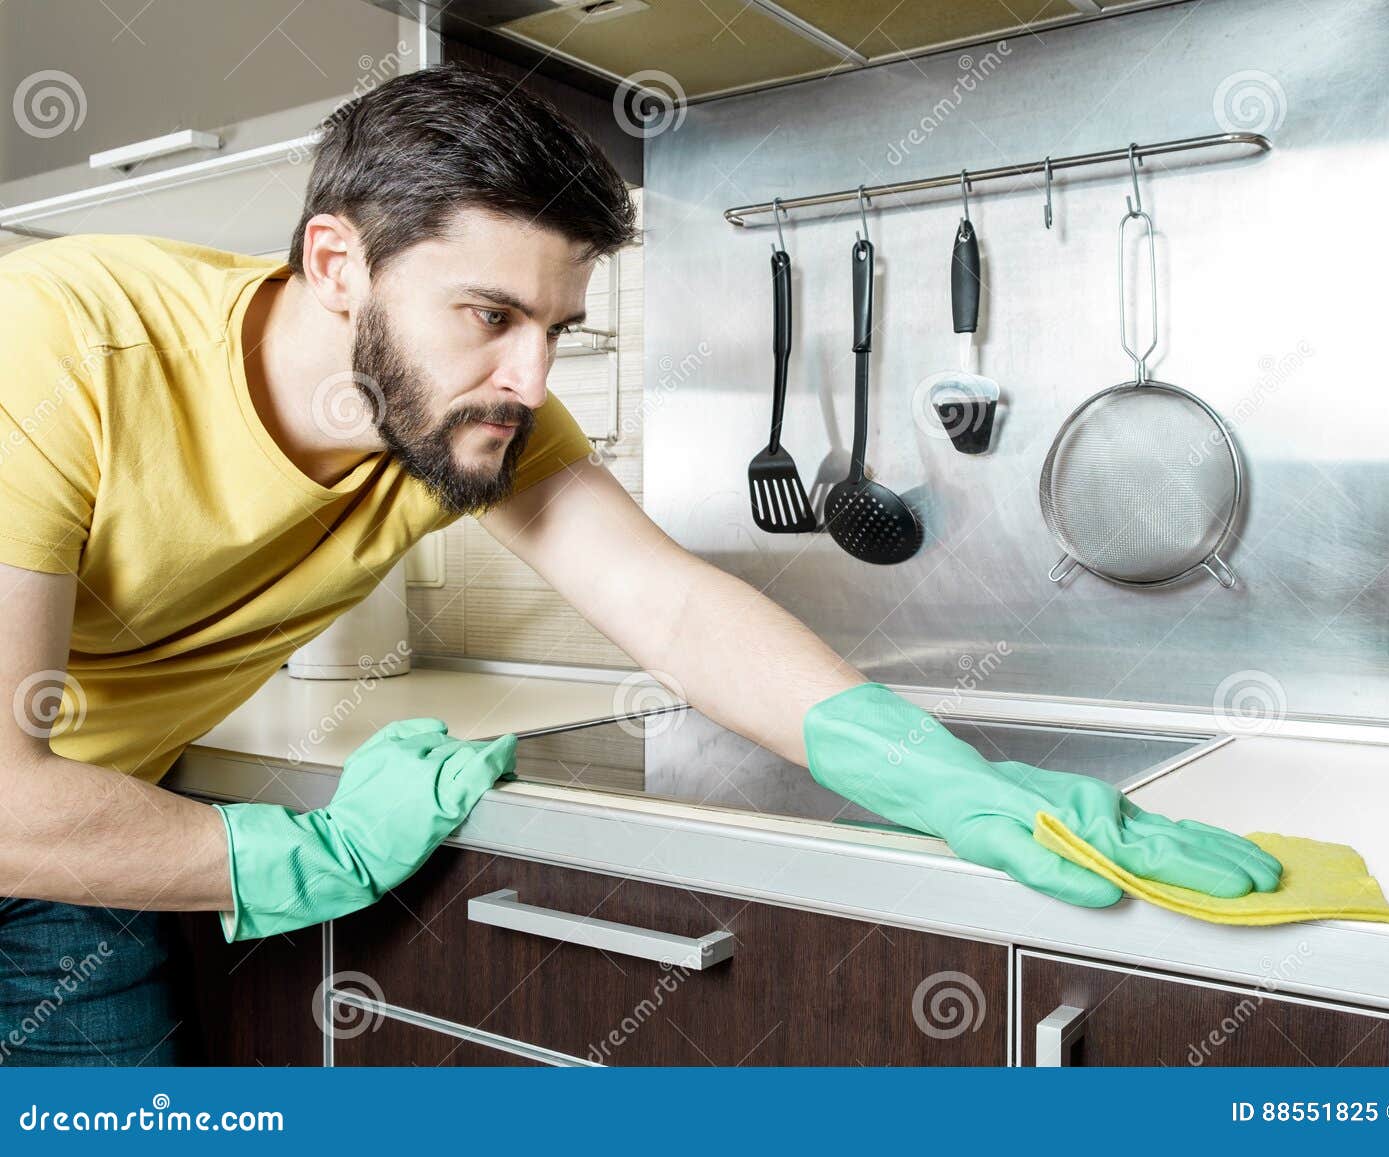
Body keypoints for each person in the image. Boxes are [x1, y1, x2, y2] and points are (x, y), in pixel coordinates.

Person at [0, 66, 1280, 1066]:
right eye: (490, 315)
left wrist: (944, 777)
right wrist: (311, 855)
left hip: (90, 832)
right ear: (339, 265)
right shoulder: (60, 345)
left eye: (556, 327)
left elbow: (668, 604)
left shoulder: (468, 411)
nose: (532, 379)